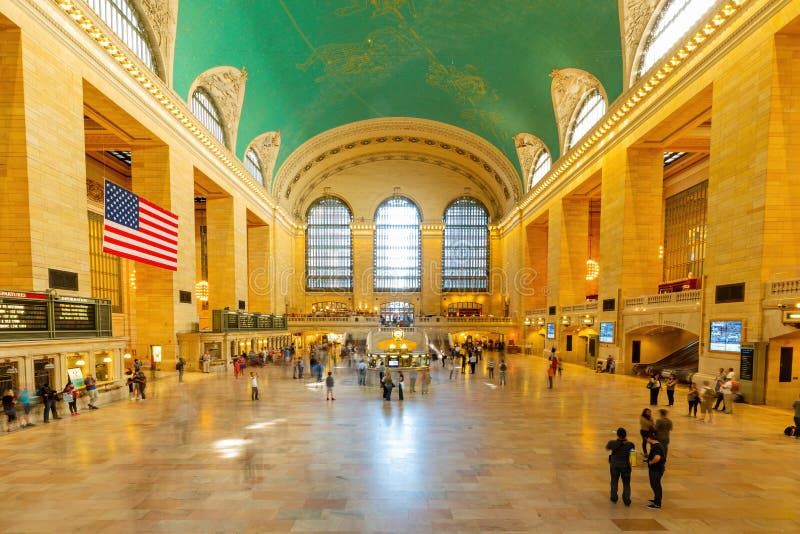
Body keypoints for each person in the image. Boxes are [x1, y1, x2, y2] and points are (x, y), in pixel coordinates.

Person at [605, 427, 633, 506]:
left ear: (617, 435)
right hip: (626, 466)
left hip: (615, 465)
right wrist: (633, 465)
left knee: (614, 481)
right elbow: (633, 457)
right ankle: (626, 500)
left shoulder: (612, 443)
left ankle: (614, 497)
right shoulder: (630, 444)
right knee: (626, 483)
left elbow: (607, 448)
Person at [645, 430, 667, 509]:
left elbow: (657, 457)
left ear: (649, 438)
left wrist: (651, 462)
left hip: (656, 469)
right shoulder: (658, 445)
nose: (646, 441)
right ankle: (656, 499)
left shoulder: (656, 447)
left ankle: (657, 503)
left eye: (646, 439)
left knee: (655, 485)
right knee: (656, 485)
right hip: (658, 469)